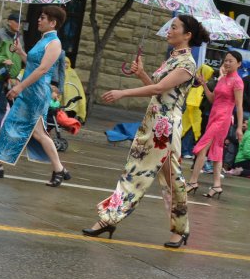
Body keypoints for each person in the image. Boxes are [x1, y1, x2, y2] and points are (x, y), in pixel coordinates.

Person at [84, 16, 206, 246]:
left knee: (140, 172)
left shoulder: (187, 63)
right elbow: (159, 92)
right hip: (154, 121)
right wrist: (141, 74)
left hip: (165, 127)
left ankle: (111, 218)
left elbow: (160, 88)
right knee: (165, 177)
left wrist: (123, 93)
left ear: (187, 35)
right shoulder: (172, 59)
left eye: (174, 28)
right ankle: (180, 229)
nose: (169, 31)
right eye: (170, 27)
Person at [0, 5, 70, 184]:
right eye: (40, 17)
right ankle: (59, 170)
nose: (39, 20)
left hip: (36, 92)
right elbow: (33, 64)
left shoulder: (54, 43)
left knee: (28, 130)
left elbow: (42, 70)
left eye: (43, 18)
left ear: (53, 22)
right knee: (35, 132)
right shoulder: (44, 40)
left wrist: (20, 87)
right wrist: (20, 52)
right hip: (30, 91)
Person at [186, 49, 243, 198]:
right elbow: (212, 99)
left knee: (202, 148)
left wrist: (239, 127)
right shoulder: (222, 78)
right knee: (217, 150)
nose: (227, 63)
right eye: (226, 60)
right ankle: (217, 185)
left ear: (239, 64)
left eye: (231, 61)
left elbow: (239, 105)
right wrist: (204, 84)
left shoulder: (237, 81)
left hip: (223, 119)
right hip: (213, 116)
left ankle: (193, 182)